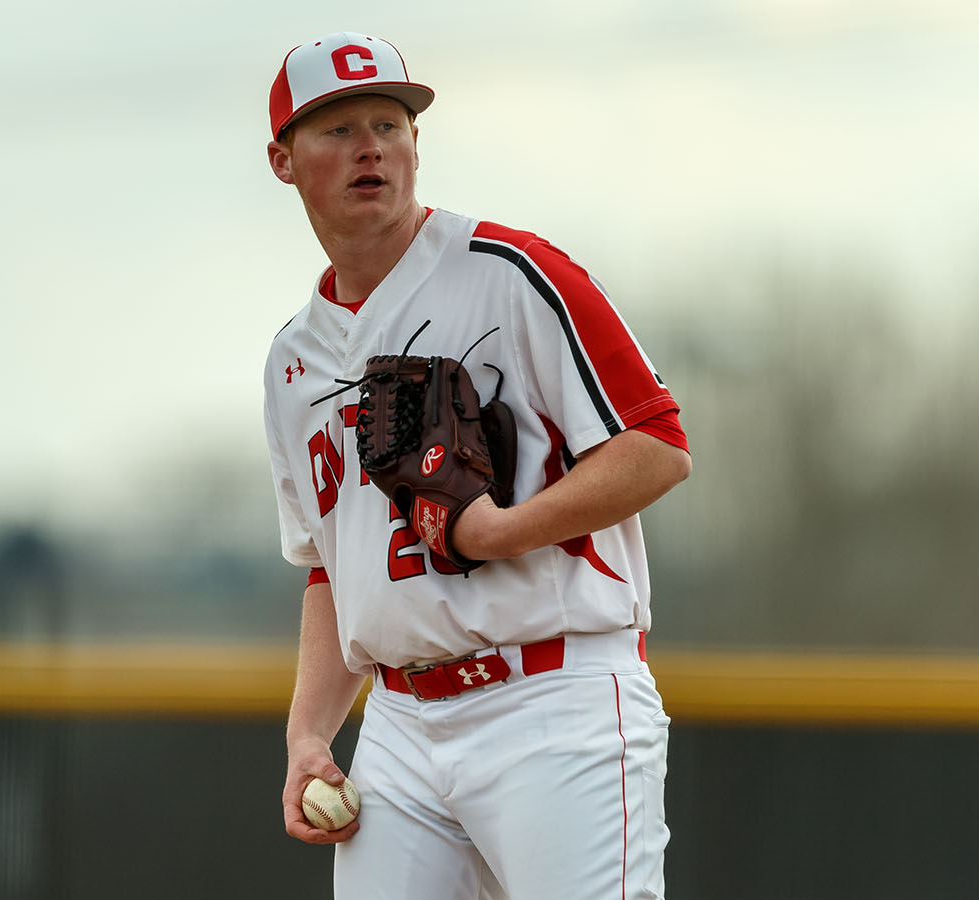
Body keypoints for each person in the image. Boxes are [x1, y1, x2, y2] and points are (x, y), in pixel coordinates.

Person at [261, 31, 692, 900]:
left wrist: (501, 531)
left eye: (389, 121)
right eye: (338, 129)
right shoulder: (292, 363)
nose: (370, 146)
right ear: (284, 161)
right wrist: (309, 732)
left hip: (553, 698)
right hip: (399, 725)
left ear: (417, 144)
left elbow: (657, 447)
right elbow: (330, 571)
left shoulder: (509, 272)